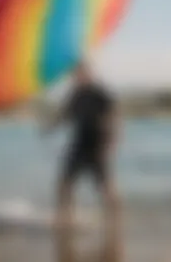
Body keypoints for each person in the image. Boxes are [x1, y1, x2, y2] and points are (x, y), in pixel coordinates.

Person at [43, 62, 121, 238]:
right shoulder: (75, 95)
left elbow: (114, 114)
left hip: (97, 145)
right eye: (75, 75)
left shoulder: (99, 93)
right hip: (78, 145)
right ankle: (65, 218)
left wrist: (113, 140)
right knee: (64, 183)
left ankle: (115, 222)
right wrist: (50, 127)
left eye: (80, 73)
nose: (76, 77)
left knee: (105, 186)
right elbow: (64, 115)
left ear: (89, 73)